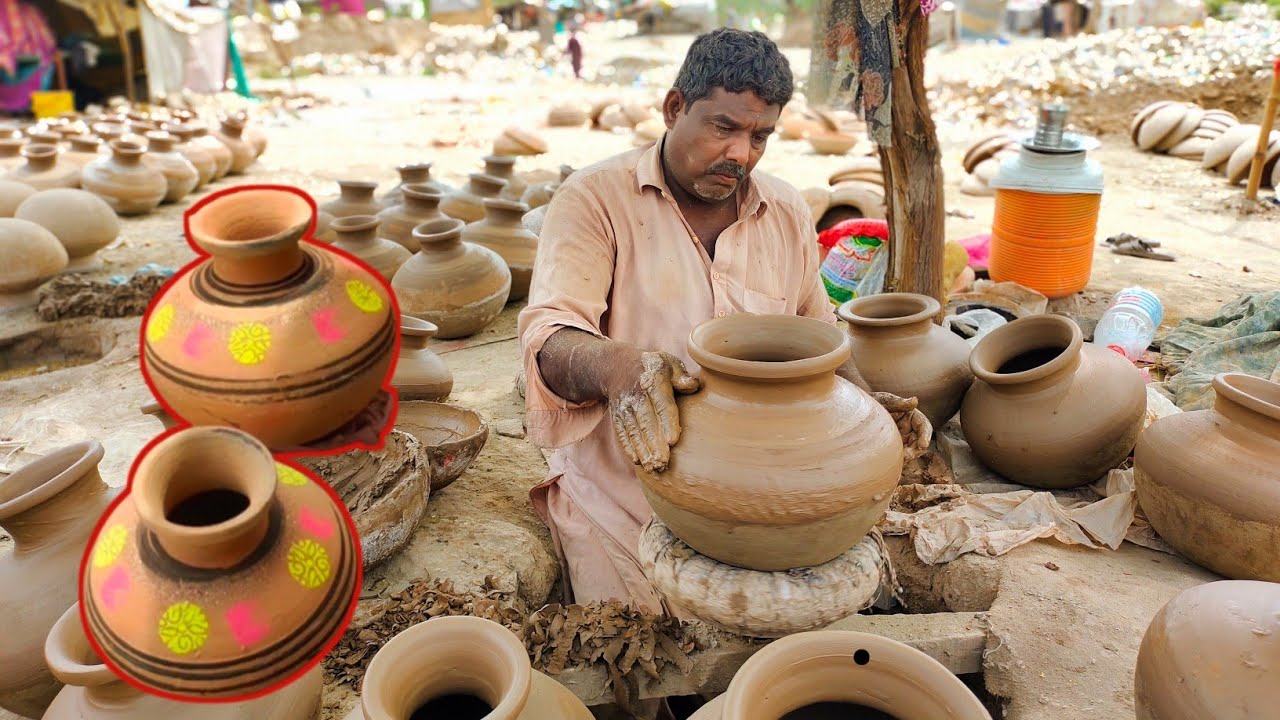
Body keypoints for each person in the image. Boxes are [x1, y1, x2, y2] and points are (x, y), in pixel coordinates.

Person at [518, 25, 927, 626]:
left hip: (771, 492)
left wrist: (868, 405)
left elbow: (818, 333)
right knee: (640, 648)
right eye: (724, 127)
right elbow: (548, 336)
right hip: (626, 485)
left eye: (761, 135)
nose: (742, 153)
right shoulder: (595, 199)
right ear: (674, 108)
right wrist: (621, 369)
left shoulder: (784, 209)